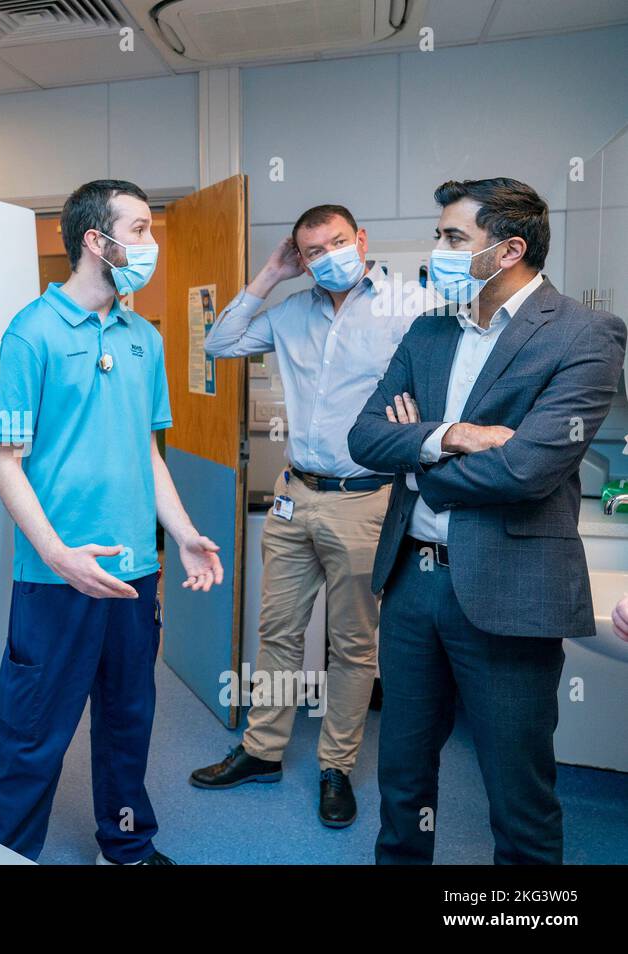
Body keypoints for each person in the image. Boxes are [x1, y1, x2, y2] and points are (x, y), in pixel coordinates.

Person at [348, 177, 626, 864]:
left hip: (510, 589)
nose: (437, 249)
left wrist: (416, 461)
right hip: (412, 584)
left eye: (451, 237)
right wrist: (452, 437)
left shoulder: (584, 335)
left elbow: (529, 470)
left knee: (517, 793)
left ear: (508, 250)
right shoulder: (431, 327)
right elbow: (362, 437)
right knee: (403, 777)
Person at [0, 179, 224, 865]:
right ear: (98, 241)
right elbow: (4, 460)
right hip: (57, 578)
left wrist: (181, 534)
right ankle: (9, 857)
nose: (150, 243)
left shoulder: (143, 338)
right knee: (34, 735)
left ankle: (126, 846)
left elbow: (145, 454)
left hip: (132, 577)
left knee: (127, 724)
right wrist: (59, 555)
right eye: (142, 229)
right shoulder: (30, 335)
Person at [190, 205, 424, 828]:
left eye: (338, 243)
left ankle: (336, 767)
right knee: (278, 633)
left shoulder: (406, 307)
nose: (328, 256)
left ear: (361, 239)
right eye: (312, 250)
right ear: (301, 256)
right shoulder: (291, 313)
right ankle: (263, 751)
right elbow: (216, 343)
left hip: (366, 499)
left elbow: (440, 389)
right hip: (295, 495)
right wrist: (269, 274)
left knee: (353, 645)